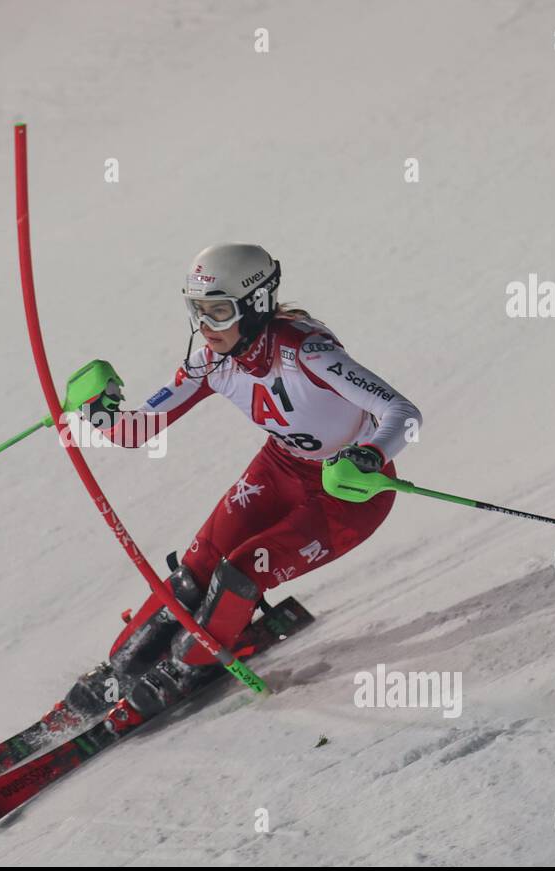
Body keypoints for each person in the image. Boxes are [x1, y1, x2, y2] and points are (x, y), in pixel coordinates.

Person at [65, 242, 423, 718]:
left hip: (348, 495)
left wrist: (370, 456)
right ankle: (122, 665)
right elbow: (136, 430)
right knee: (196, 568)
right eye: (197, 312)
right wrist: (97, 407)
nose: (205, 327)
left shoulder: (307, 353)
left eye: (218, 312)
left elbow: (403, 412)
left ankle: (188, 666)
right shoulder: (210, 361)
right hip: (280, 470)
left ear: (254, 305)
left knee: (240, 570)